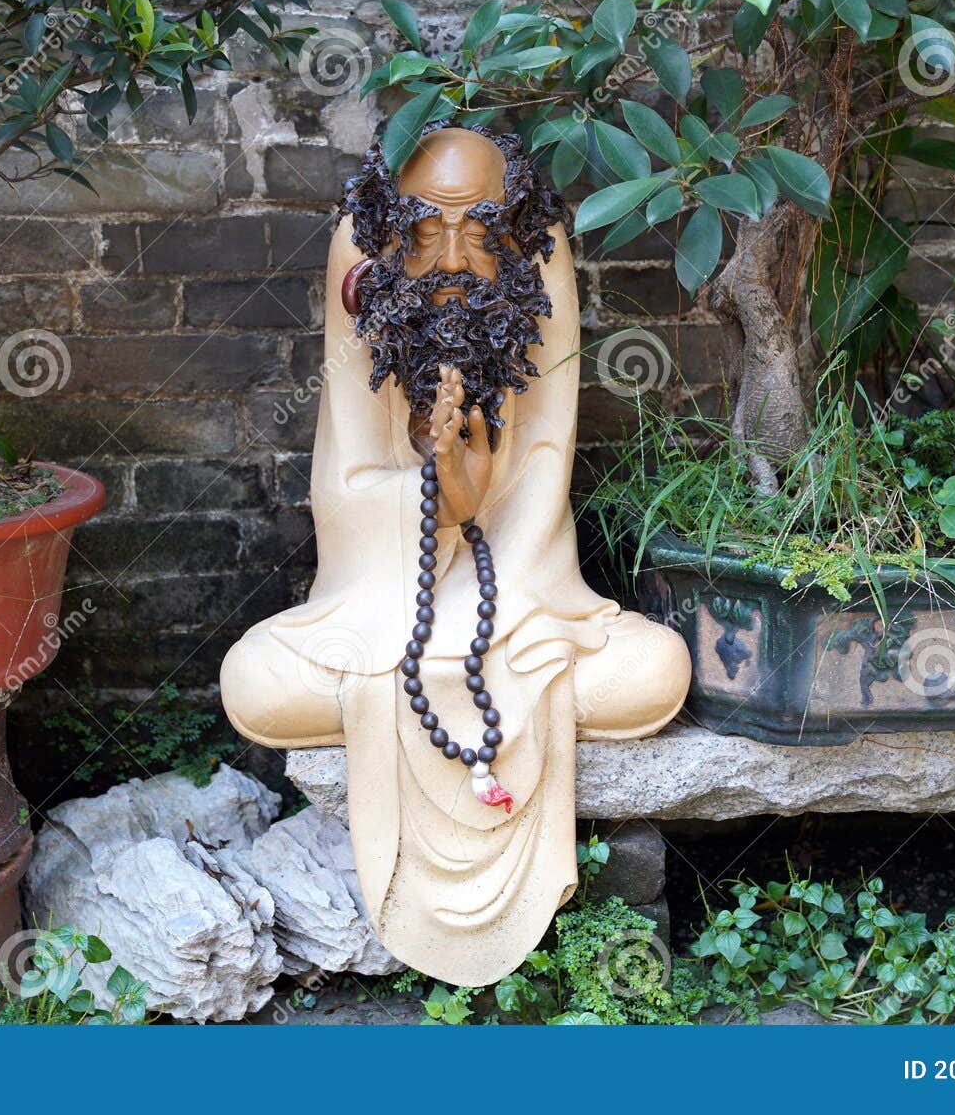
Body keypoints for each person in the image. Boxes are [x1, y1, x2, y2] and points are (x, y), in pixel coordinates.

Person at [219, 125, 690, 985]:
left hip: (517, 588)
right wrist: (434, 501)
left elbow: (544, 463)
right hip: (384, 596)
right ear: (391, 225)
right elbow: (349, 474)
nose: (453, 255)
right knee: (254, 679)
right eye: (427, 230)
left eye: (481, 230)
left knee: (654, 668)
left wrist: (480, 500)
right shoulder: (360, 267)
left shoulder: (537, 261)